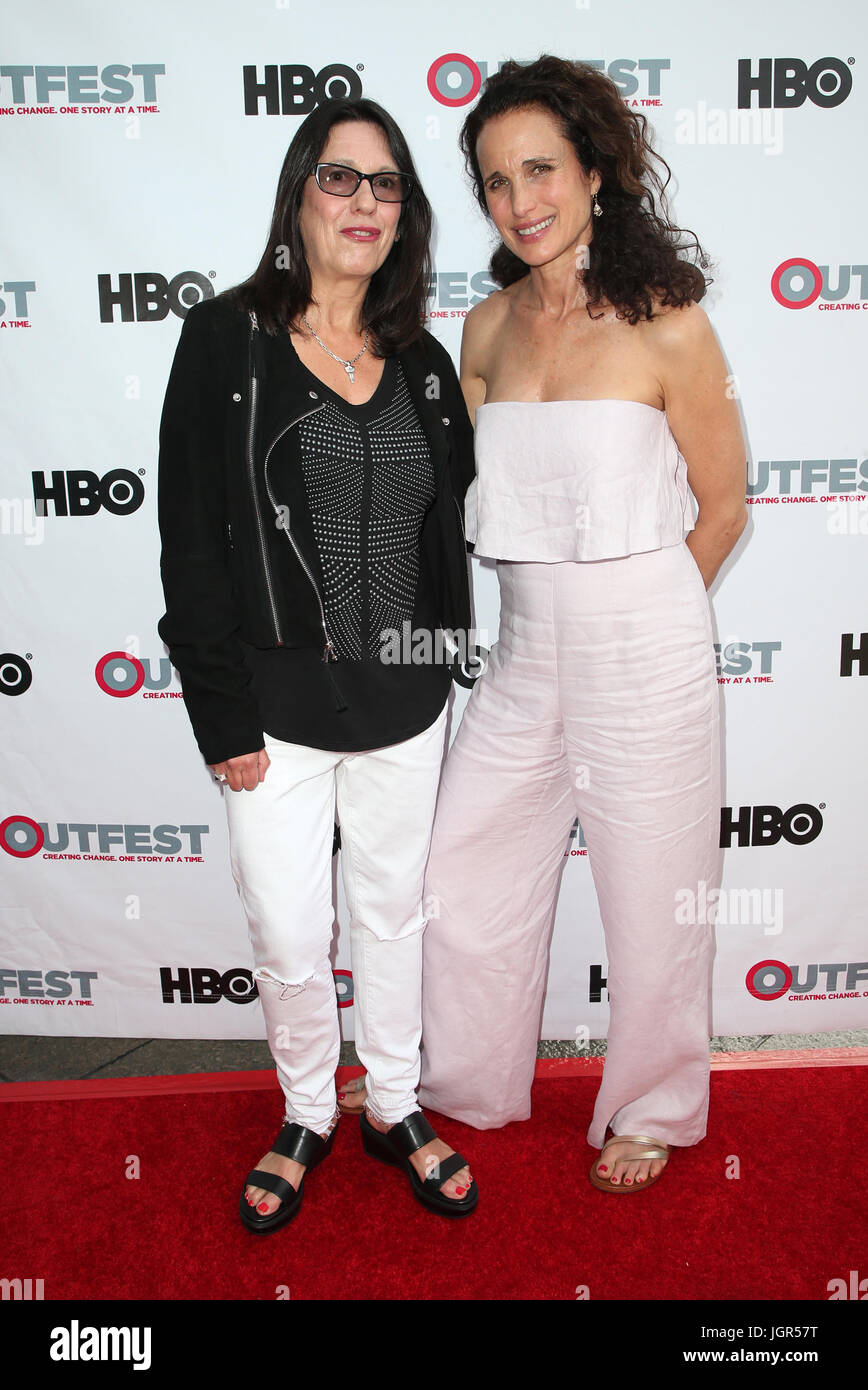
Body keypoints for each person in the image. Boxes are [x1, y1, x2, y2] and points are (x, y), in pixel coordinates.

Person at [413, 55, 748, 1193]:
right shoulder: (486, 330)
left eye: (541, 169)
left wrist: (646, 615)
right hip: (520, 651)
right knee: (458, 868)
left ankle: (651, 1106)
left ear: (595, 172)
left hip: (644, 646)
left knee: (655, 896)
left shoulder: (669, 325)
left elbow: (725, 504)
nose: (522, 201)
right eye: (498, 182)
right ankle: (461, 1079)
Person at [156, 96, 477, 1231]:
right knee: (293, 930)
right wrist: (221, 717)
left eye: (385, 184)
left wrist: (446, 665)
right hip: (272, 706)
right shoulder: (223, 340)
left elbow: (446, 535)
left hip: (407, 695)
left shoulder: (427, 361)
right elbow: (190, 538)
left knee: (391, 913)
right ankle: (306, 1106)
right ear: (299, 195)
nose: (364, 202)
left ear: (406, 213)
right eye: (340, 178)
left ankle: (390, 1098)